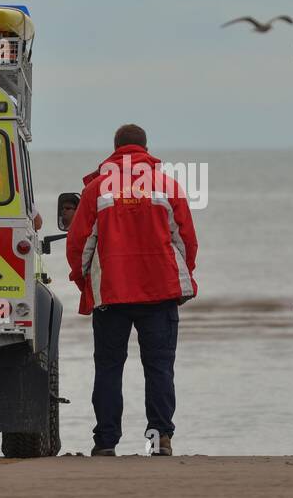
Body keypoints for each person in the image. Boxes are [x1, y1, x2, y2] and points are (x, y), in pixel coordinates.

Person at [66, 124, 198, 456]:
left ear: (115, 149)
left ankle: (106, 443)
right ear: (145, 148)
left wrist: (85, 282)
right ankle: (159, 440)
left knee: (109, 367)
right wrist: (179, 277)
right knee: (159, 367)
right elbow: (186, 242)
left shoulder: (97, 189)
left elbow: (79, 244)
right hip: (160, 294)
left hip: (112, 295)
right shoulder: (167, 186)